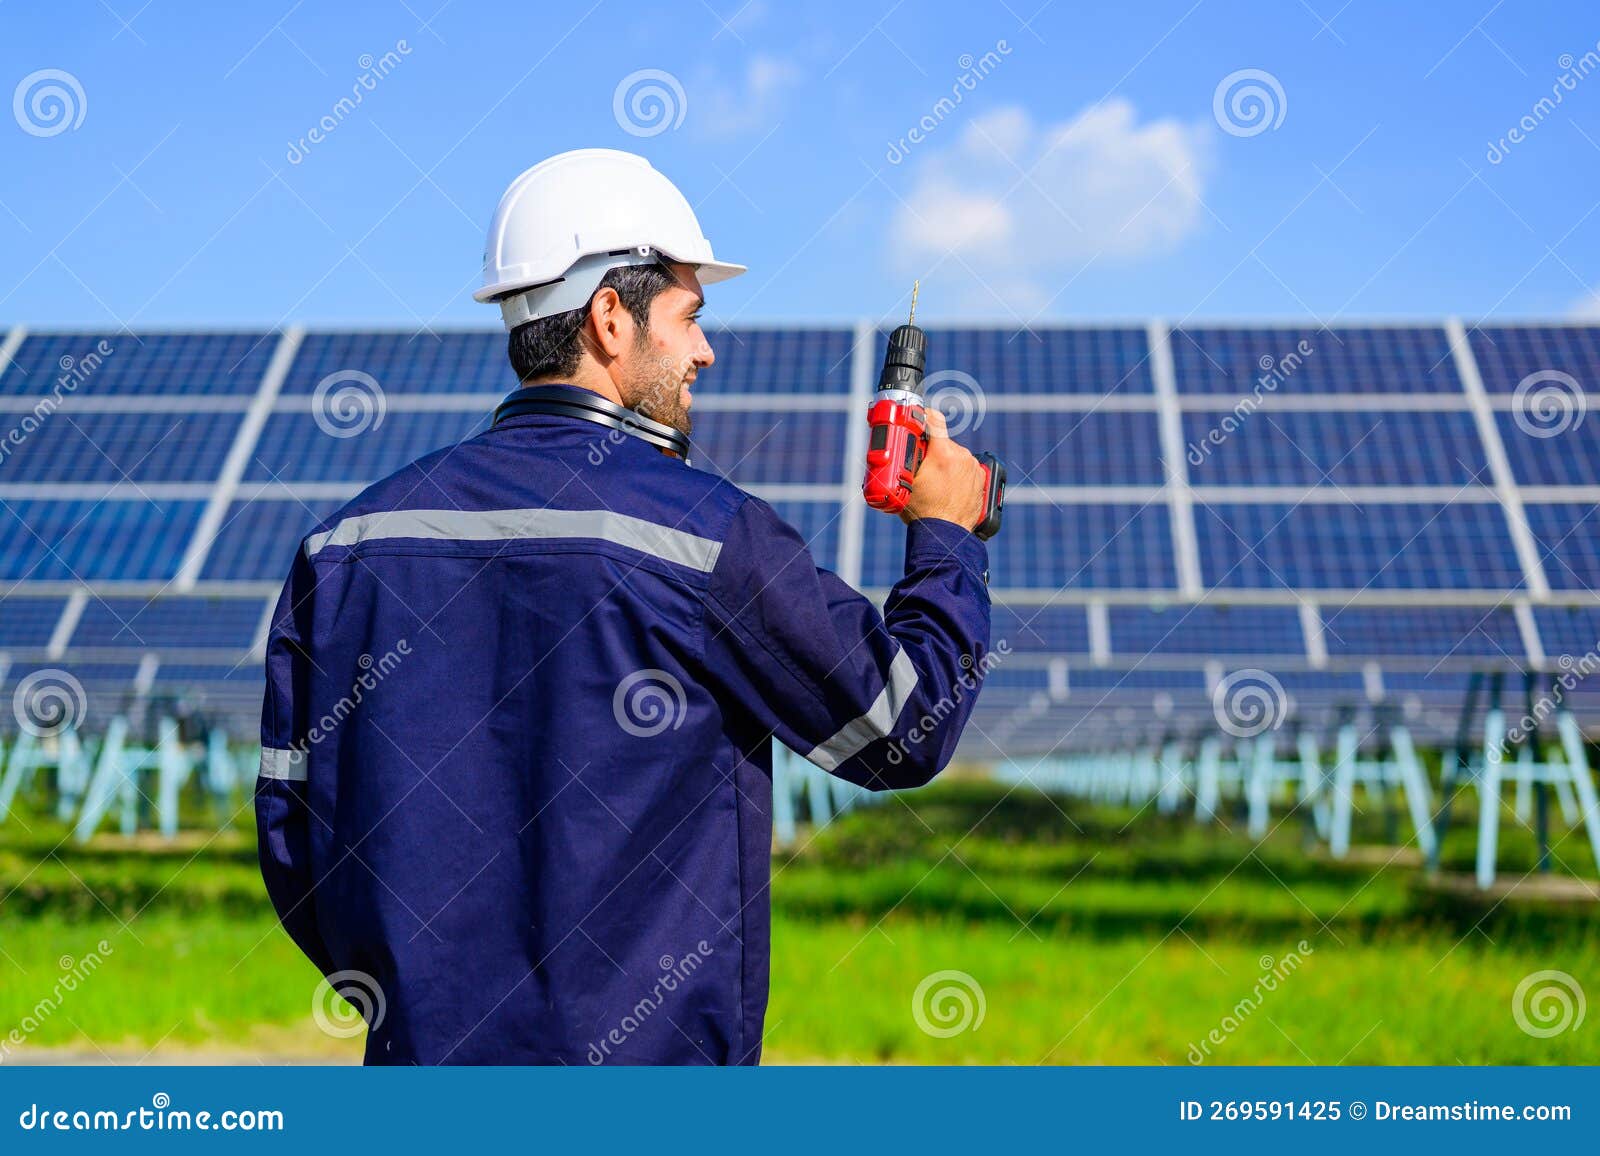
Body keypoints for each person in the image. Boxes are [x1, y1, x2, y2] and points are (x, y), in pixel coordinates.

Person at [256, 148, 994, 1065]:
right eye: (689, 317)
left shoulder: (345, 546)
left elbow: (293, 837)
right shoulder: (708, 537)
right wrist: (949, 540)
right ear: (611, 316)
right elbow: (904, 723)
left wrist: (425, 999)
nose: (705, 351)